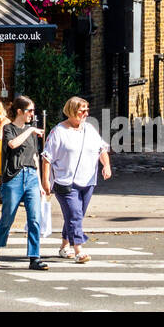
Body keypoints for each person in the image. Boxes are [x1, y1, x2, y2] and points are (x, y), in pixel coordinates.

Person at [41, 96, 111, 264]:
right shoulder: (59, 131)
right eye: (82, 110)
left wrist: (106, 165)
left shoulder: (90, 129)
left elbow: (101, 149)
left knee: (73, 217)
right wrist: (45, 181)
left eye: (87, 110)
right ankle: (79, 249)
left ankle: (64, 246)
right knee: (75, 214)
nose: (86, 113)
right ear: (72, 111)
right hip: (65, 182)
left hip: (87, 181)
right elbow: (47, 158)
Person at [0, 95, 48, 271]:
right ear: (20, 111)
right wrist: (30, 131)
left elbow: (35, 158)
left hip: (30, 177)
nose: (32, 114)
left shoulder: (31, 132)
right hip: (13, 178)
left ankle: (34, 257)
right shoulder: (8, 128)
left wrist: (40, 183)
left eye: (33, 111)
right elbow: (13, 144)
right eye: (30, 111)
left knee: (35, 218)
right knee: (8, 216)